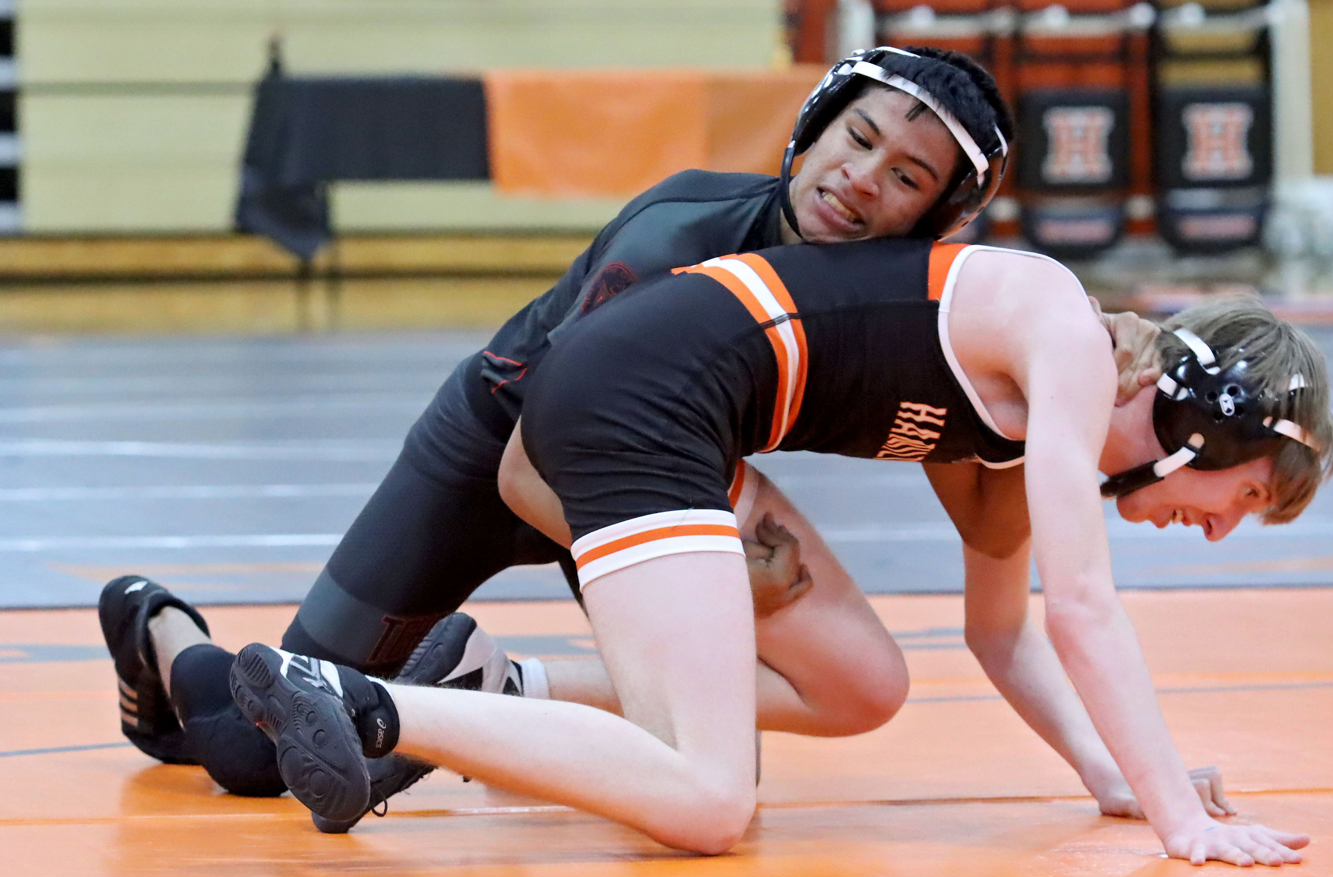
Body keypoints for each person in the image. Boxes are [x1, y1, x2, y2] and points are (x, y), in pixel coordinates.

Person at [100, 46, 1158, 818]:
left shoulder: (909, 297)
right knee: (255, 753)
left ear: (935, 222)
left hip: (656, 474)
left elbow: (978, 431)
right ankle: (162, 629)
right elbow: (537, 462)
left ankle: (483, 690)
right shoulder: (681, 231)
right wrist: (696, 584)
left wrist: (1075, 349)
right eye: (859, 138)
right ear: (815, 124)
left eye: (905, 179)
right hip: (497, 453)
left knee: (763, 728)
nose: (860, 180)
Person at [226, 235, 1333, 864]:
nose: (1219, 527)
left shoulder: (1030, 419)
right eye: (1241, 495)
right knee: (709, 802)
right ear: (1208, 427)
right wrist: (1179, 817)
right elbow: (1082, 604)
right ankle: (366, 704)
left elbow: (1000, 632)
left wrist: (1115, 777)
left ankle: (496, 689)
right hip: (645, 400)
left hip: (679, 407)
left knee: (862, 683)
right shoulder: (1065, 338)